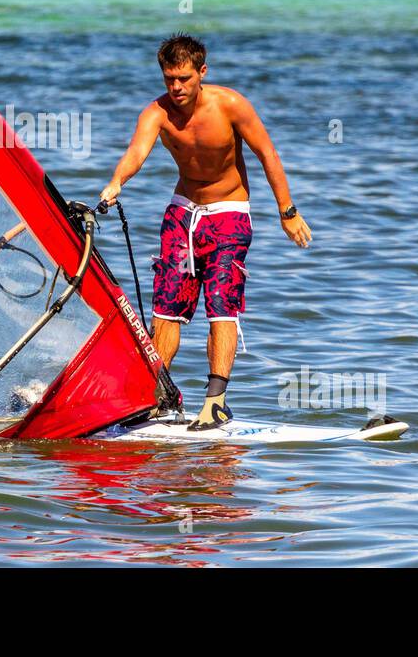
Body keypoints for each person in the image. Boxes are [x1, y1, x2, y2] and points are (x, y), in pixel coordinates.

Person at [99, 34, 312, 430]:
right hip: (183, 216)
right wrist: (116, 183)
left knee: (221, 305)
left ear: (202, 72)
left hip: (228, 216)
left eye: (183, 78)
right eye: (168, 79)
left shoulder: (231, 105)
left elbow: (268, 154)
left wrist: (288, 211)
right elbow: (136, 154)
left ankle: (215, 402)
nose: (176, 87)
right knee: (166, 309)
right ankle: (156, 395)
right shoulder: (157, 113)